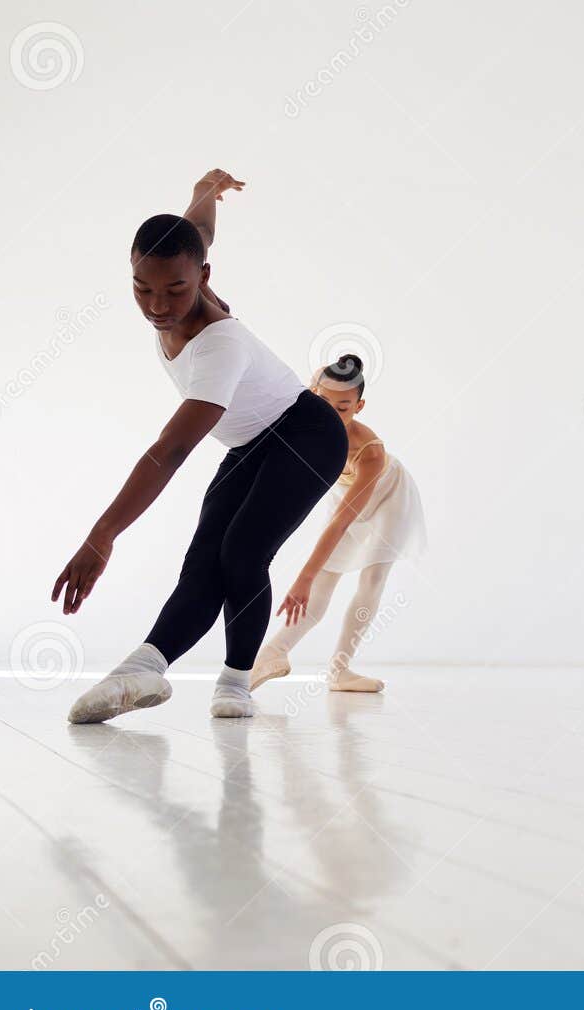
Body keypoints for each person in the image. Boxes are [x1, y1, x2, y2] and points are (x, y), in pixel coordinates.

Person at [54, 169, 347, 723]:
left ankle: (236, 683)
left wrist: (102, 535)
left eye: (176, 290)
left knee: (241, 553)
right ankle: (144, 667)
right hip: (249, 444)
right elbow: (196, 231)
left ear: (203, 278)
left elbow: (168, 452)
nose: (158, 305)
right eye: (142, 288)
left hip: (308, 435)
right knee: (202, 559)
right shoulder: (178, 262)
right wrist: (205, 193)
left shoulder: (221, 347)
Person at [250, 353, 428, 694]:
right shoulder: (309, 419)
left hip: (388, 495)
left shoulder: (371, 451)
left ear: (359, 406)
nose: (330, 414)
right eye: (323, 402)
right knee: (324, 581)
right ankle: (273, 654)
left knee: (372, 576)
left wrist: (303, 577)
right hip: (347, 491)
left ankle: (339, 669)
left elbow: (343, 520)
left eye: (343, 407)